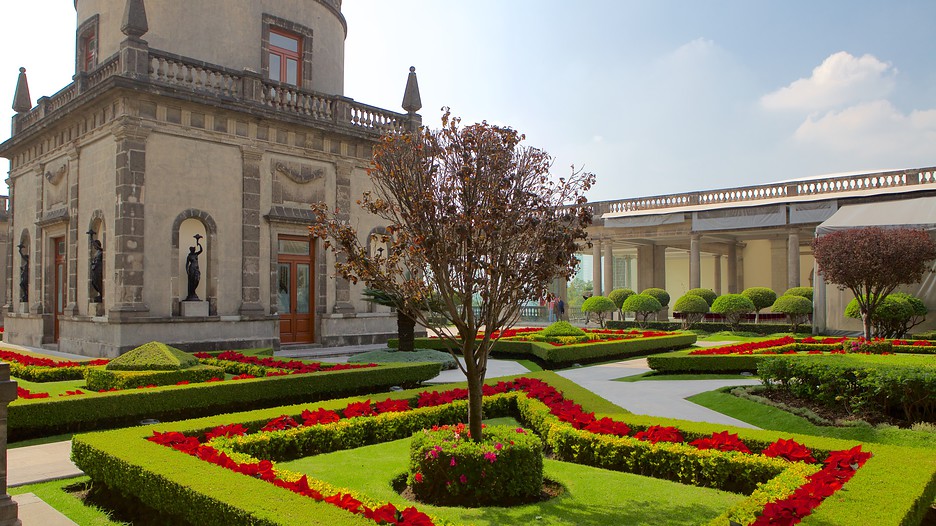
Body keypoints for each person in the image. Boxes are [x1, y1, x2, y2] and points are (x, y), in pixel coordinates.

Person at [185, 236, 204, 301]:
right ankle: (192, 293)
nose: (194, 250)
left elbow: (201, 250)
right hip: (192, 269)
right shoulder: (189, 256)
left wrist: (199, 244)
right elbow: (187, 264)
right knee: (192, 281)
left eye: (194, 249)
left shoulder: (196, 254)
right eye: (193, 249)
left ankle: (193, 292)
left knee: (197, 279)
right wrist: (187, 271)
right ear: (191, 250)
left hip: (196, 269)